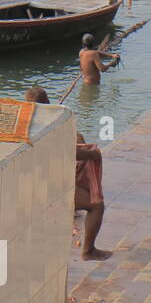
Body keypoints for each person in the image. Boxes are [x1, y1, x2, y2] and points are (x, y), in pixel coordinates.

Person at [25, 87, 110, 261]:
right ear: (48, 106)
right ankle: (88, 251)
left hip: (31, 181)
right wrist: (92, 154)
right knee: (96, 206)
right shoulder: (50, 126)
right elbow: (71, 153)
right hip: (46, 187)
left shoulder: (24, 124)